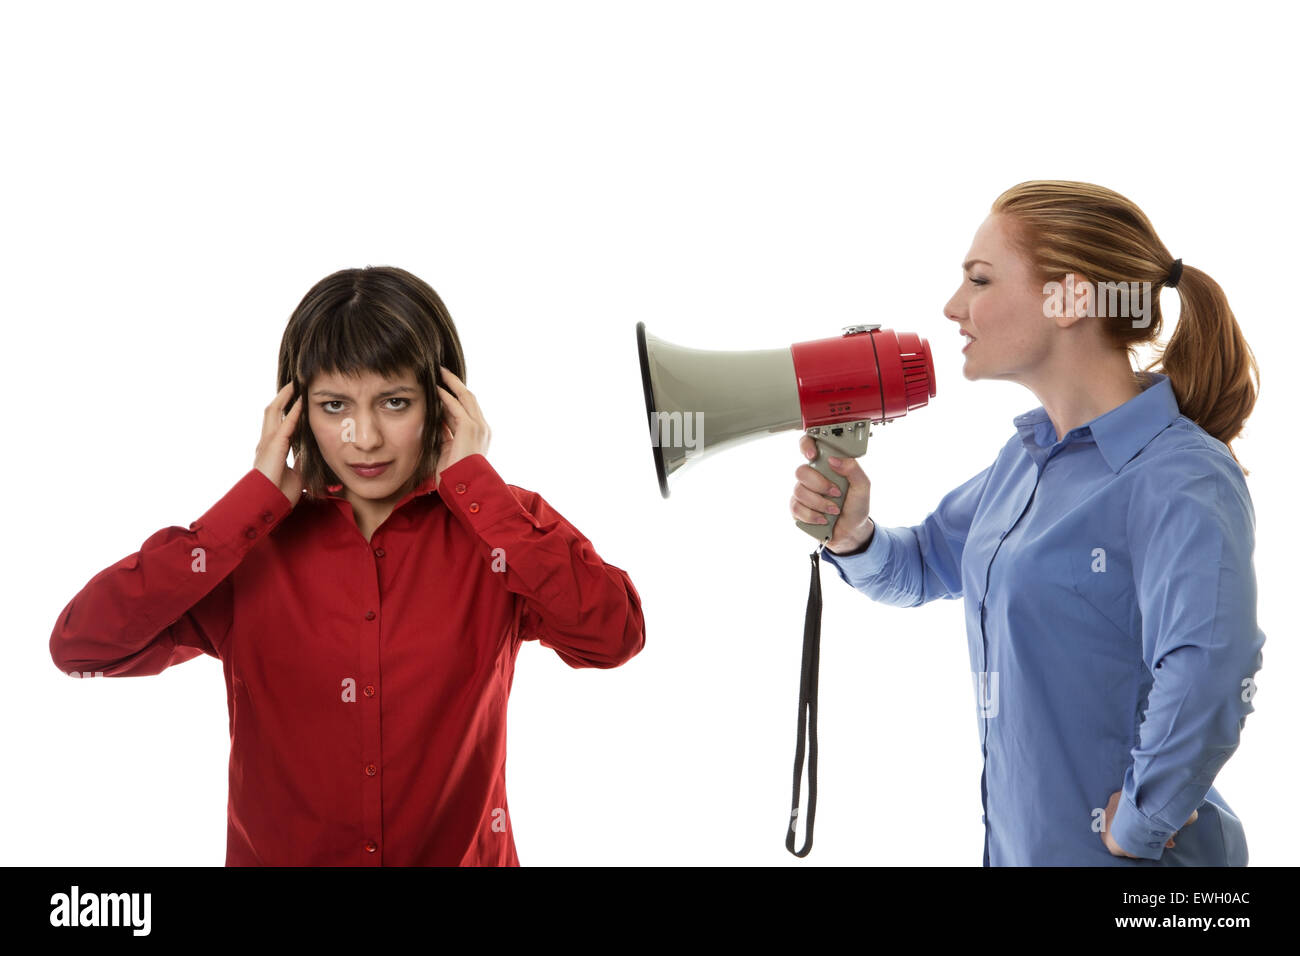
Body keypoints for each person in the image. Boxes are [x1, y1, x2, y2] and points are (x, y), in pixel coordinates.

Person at [50, 265, 645, 866]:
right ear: (293, 413)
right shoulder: (244, 549)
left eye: (394, 402)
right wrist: (253, 502)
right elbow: (82, 647)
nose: (364, 438)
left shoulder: (501, 528)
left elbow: (612, 636)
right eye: (334, 405)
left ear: (446, 406)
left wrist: (478, 492)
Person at [790, 181, 1264, 866]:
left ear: (1071, 299)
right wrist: (853, 535)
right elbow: (925, 563)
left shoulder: (1178, 476)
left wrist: (1137, 826)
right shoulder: (1027, 458)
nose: (954, 308)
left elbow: (1211, 668)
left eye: (979, 280)